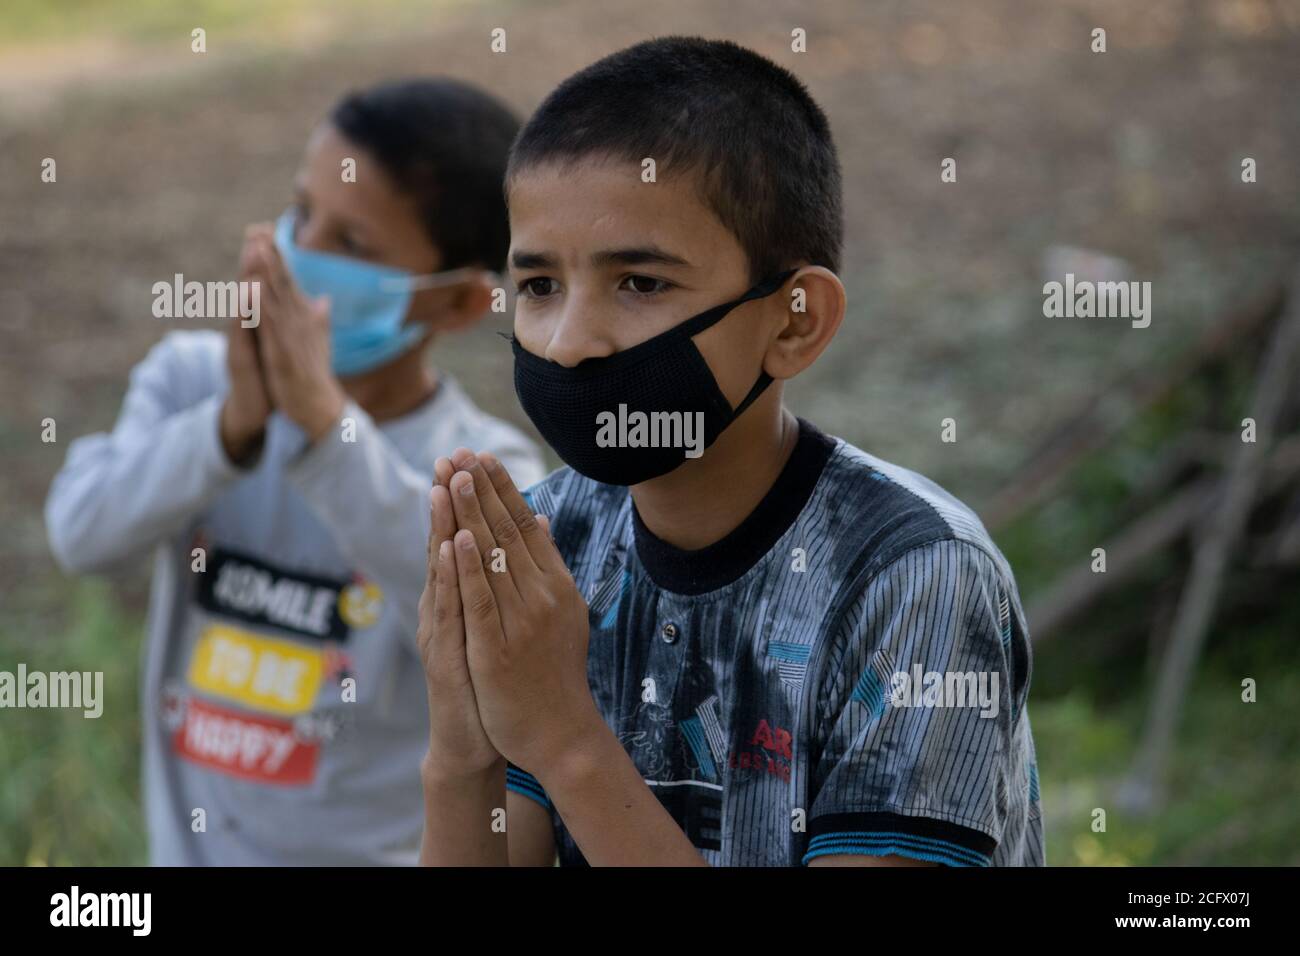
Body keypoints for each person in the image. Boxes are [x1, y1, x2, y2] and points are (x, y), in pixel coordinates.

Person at [417, 38, 1044, 866]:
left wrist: (564, 737)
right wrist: (463, 744)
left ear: (794, 320)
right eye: (538, 286)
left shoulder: (915, 576)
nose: (568, 344)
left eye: (640, 283)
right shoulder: (552, 540)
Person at [45, 77, 545, 865]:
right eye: (301, 211)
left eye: (351, 246)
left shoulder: (483, 473)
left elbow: (498, 649)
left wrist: (324, 426)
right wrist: (227, 430)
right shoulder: (194, 385)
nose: (298, 254)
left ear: (455, 307)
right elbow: (83, 536)